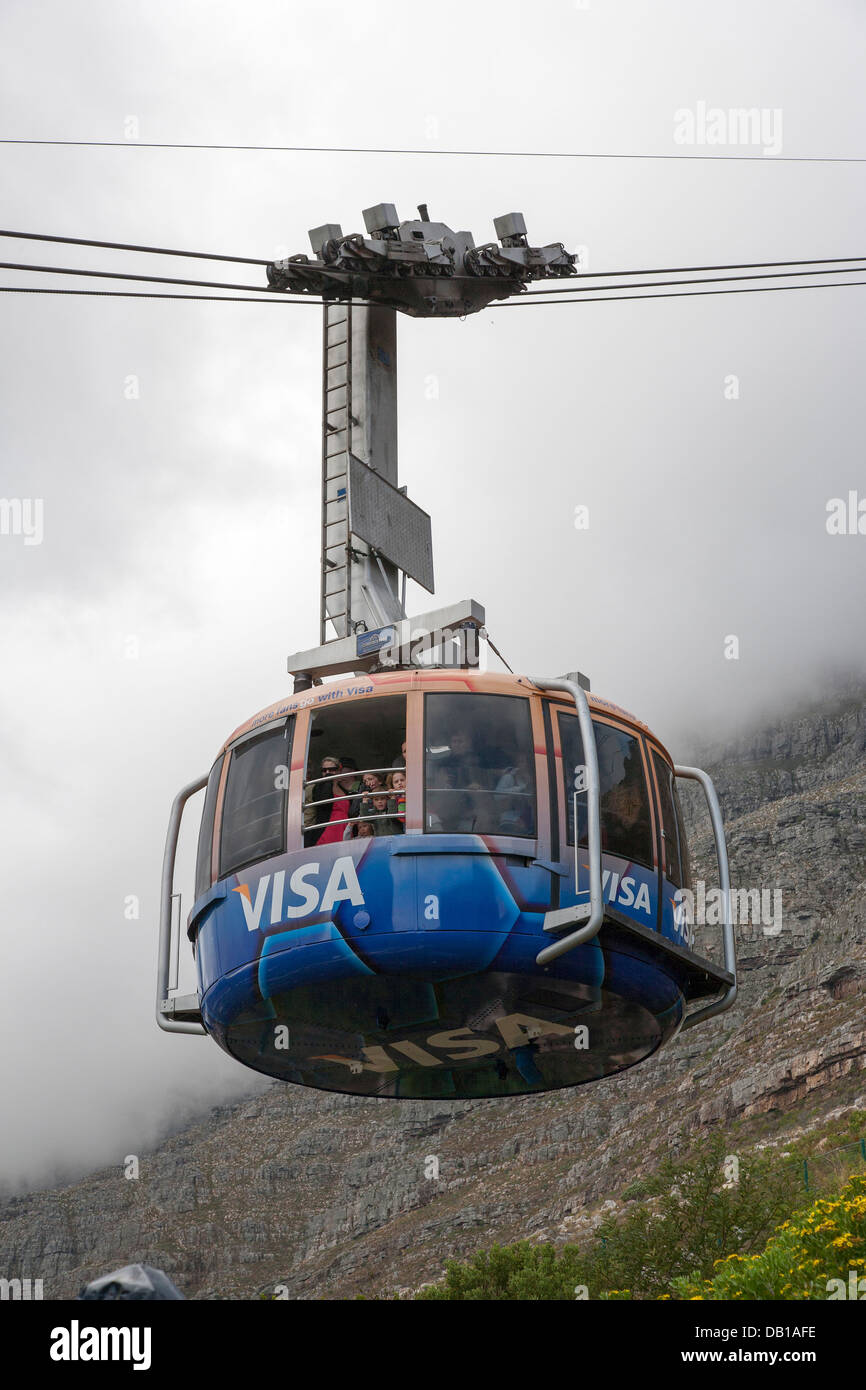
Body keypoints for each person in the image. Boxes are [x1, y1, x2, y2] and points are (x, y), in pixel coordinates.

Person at [305, 756, 343, 846]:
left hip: (345, 831)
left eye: (332, 770)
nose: (327, 773)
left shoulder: (343, 789)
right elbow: (325, 801)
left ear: (338, 770)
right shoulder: (318, 788)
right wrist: (328, 780)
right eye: (324, 770)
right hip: (326, 833)